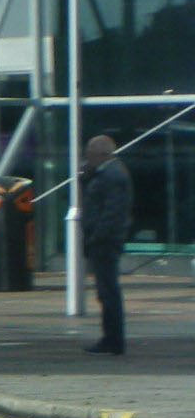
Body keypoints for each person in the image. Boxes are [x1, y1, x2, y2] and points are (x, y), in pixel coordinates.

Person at [80, 134, 132, 354]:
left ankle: (113, 339)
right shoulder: (104, 174)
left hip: (106, 241)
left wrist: (97, 236)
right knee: (105, 290)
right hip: (101, 240)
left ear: (102, 154)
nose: (88, 159)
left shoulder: (114, 175)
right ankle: (109, 336)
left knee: (108, 290)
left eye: (90, 155)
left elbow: (112, 212)